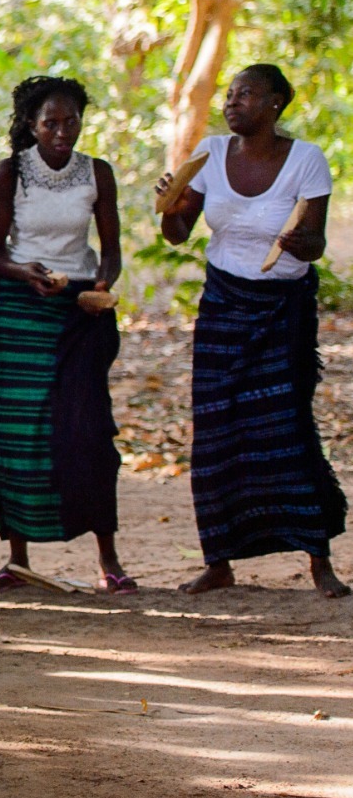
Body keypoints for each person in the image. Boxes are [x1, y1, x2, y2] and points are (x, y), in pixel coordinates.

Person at [158, 64, 346, 597]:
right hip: (223, 305)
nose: (232, 101)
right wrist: (168, 203)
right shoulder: (212, 154)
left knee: (286, 429)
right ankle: (219, 562)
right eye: (230, 93)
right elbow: (177, 233)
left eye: (246, 94)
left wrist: (294, 244)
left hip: (281, 312)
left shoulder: (306, 160)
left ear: (275, 104)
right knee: (216, 431)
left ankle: (318, 560)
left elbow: (316, 246)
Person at [0, 76, 132, 593]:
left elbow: (111, 248)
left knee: (86, 433)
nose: (62, 132)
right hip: (21, 310)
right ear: (31, 125)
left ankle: (109, 560)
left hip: (80, 312)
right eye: (51, 123)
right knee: (14, 434)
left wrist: (104, 282)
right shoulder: (9, 174)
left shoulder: (97, 173)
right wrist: (27, 273)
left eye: (71, 122)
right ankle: (17, 556)